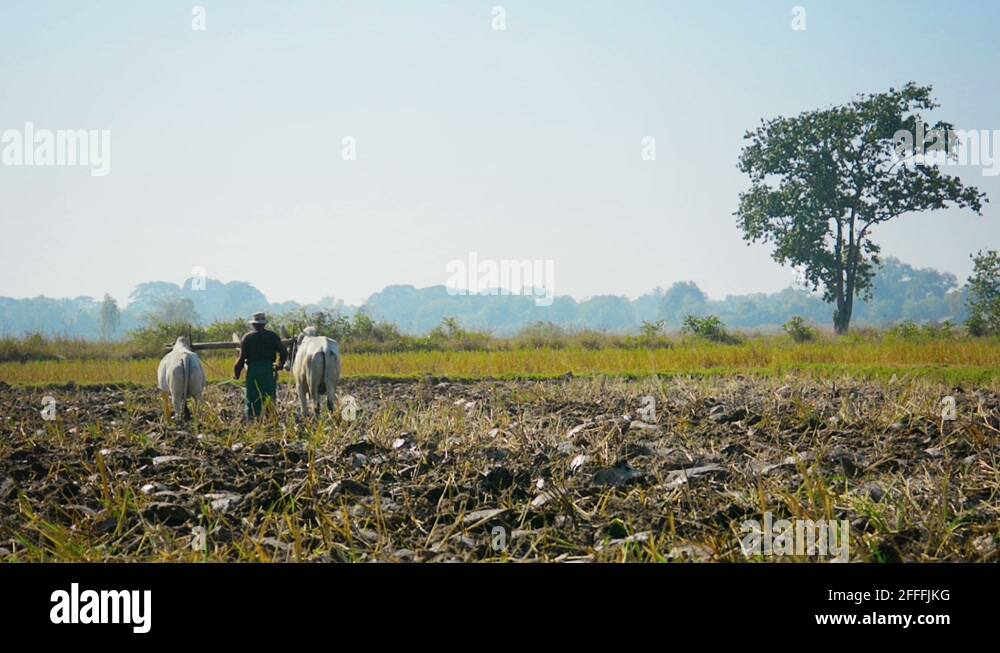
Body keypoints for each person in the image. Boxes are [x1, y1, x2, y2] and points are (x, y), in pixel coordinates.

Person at [233, 312, 288, 419]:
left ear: (253, 324)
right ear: (264, 324)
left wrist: (237, 373)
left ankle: (252, 419)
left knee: (252, 396)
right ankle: (270, 418)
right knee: (269, 395)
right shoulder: (272, 336)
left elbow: (241, 359)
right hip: (268, 370)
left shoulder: (247, 338)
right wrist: (280, 365)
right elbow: (284, 352)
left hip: (253, 370)